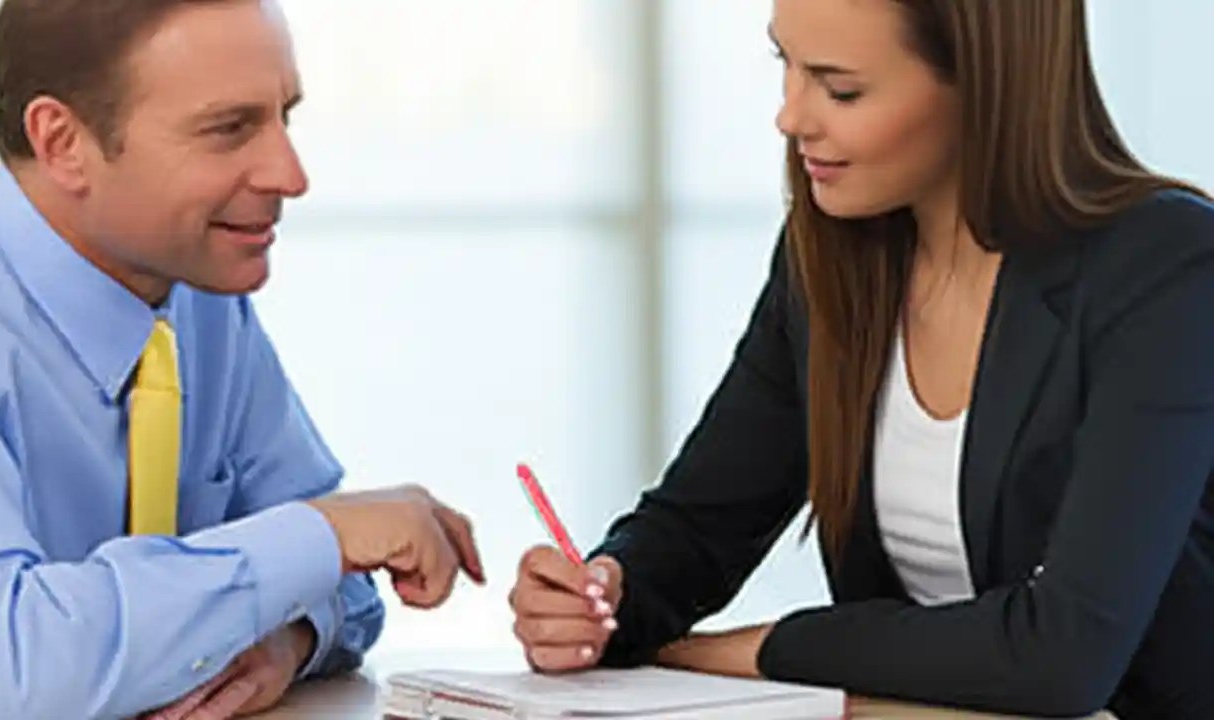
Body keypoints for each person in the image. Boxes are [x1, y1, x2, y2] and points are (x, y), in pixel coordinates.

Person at [509, 1, 1214, 718]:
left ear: (987, 81)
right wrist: (607, 596)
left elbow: (1064, 655)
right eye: (784, 64)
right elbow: (699, 526)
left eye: (840, 88)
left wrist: (759, 649)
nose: (790, 117)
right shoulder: (833, 252)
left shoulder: (1165, 266)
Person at [0, 1, 485, 718]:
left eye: (286, 115)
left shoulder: (193, 290)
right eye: (230, 129)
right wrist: (318, 537)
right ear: (62, 141)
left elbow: (345, 576)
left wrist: (283, 637)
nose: (290, 174)